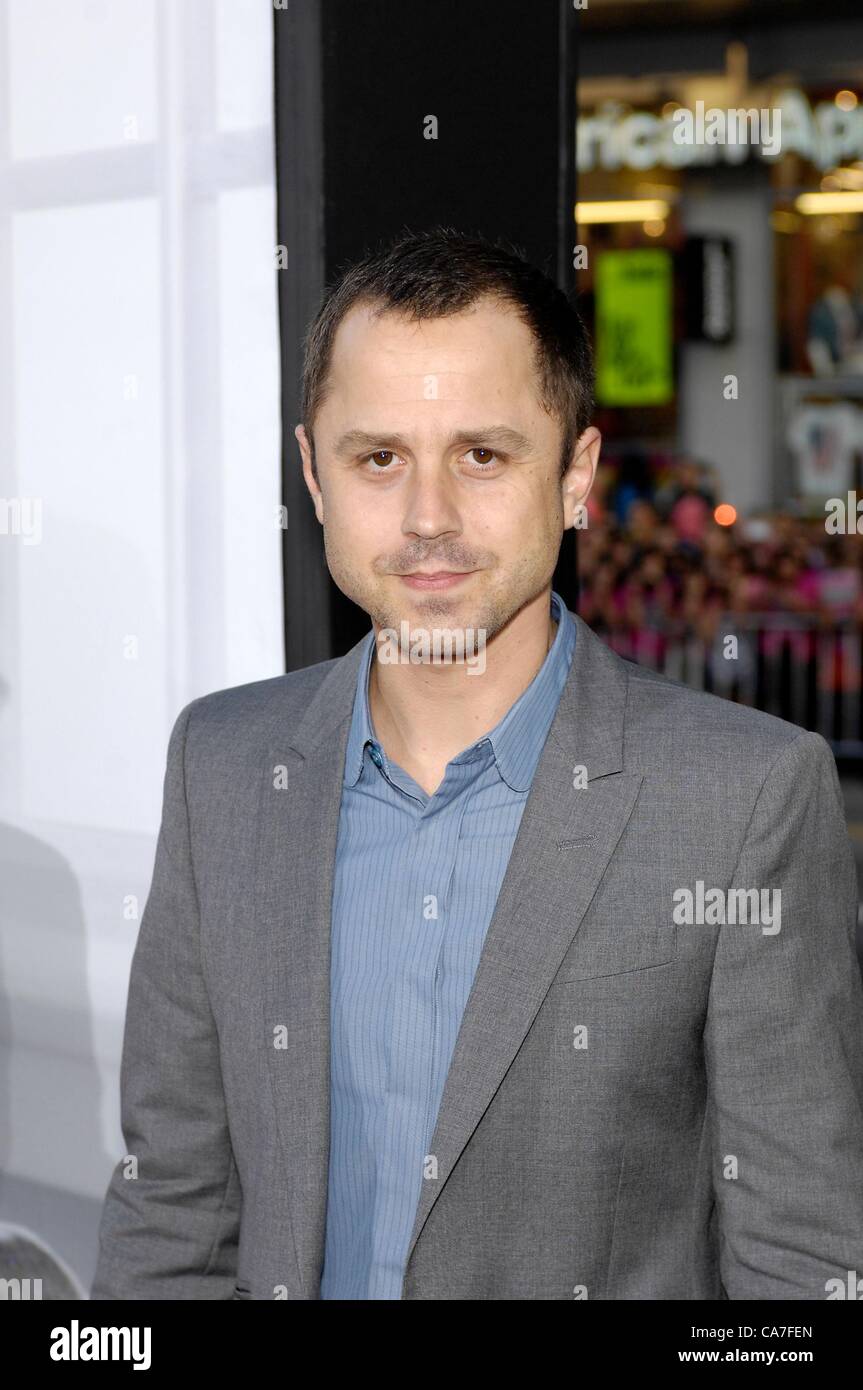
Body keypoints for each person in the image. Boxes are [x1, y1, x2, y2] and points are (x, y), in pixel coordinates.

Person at [91, 228, 863, 1301]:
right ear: (313, 473)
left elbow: (800, 1265)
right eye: (379, 458)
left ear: (576, 474)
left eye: (482, 455)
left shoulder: (742, 800)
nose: (427, 519)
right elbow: (170, 1216)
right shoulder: (222, 767)